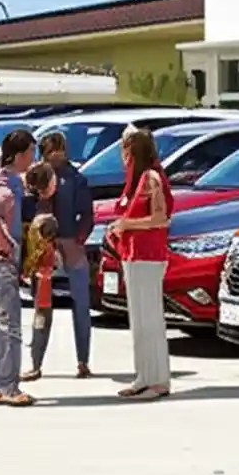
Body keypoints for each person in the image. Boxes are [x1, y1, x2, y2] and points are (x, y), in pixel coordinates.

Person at [22, 131, 95, 381]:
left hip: (69, 244)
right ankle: (35, 363)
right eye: (51, 151)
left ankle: (83, 361)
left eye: (60, 150)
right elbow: (26, 211)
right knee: (42, 307)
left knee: (81, 306)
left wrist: (78, 240)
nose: (56, 155)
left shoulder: (76, 179)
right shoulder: (34, 178)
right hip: (43, 249)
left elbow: (87, 214)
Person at [110, 126, 174, 400]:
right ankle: (143, 376)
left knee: (151, 320)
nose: (122, 155)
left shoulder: (151, 179)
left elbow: (160, 219)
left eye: (126, 149)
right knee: (138, 320)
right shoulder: (135, 181)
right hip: (133, 255)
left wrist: (126, 224)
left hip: (148, 256)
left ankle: (158, 380)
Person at [0, 129, 36, 407]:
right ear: (20, 154)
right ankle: (6, 386)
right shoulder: (3, 185)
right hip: (0, 261)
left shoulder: (6, 179)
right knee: (7, 325)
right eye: (31, 153)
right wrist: (5, 247)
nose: (33, 159)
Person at [20, 162, 60, 382]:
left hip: (41, 266)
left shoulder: (34, 203)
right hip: (41, 268)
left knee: (42, 313)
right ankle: (35, 362)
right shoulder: (39, 208)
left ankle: (36, 359)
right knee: (42, 314)